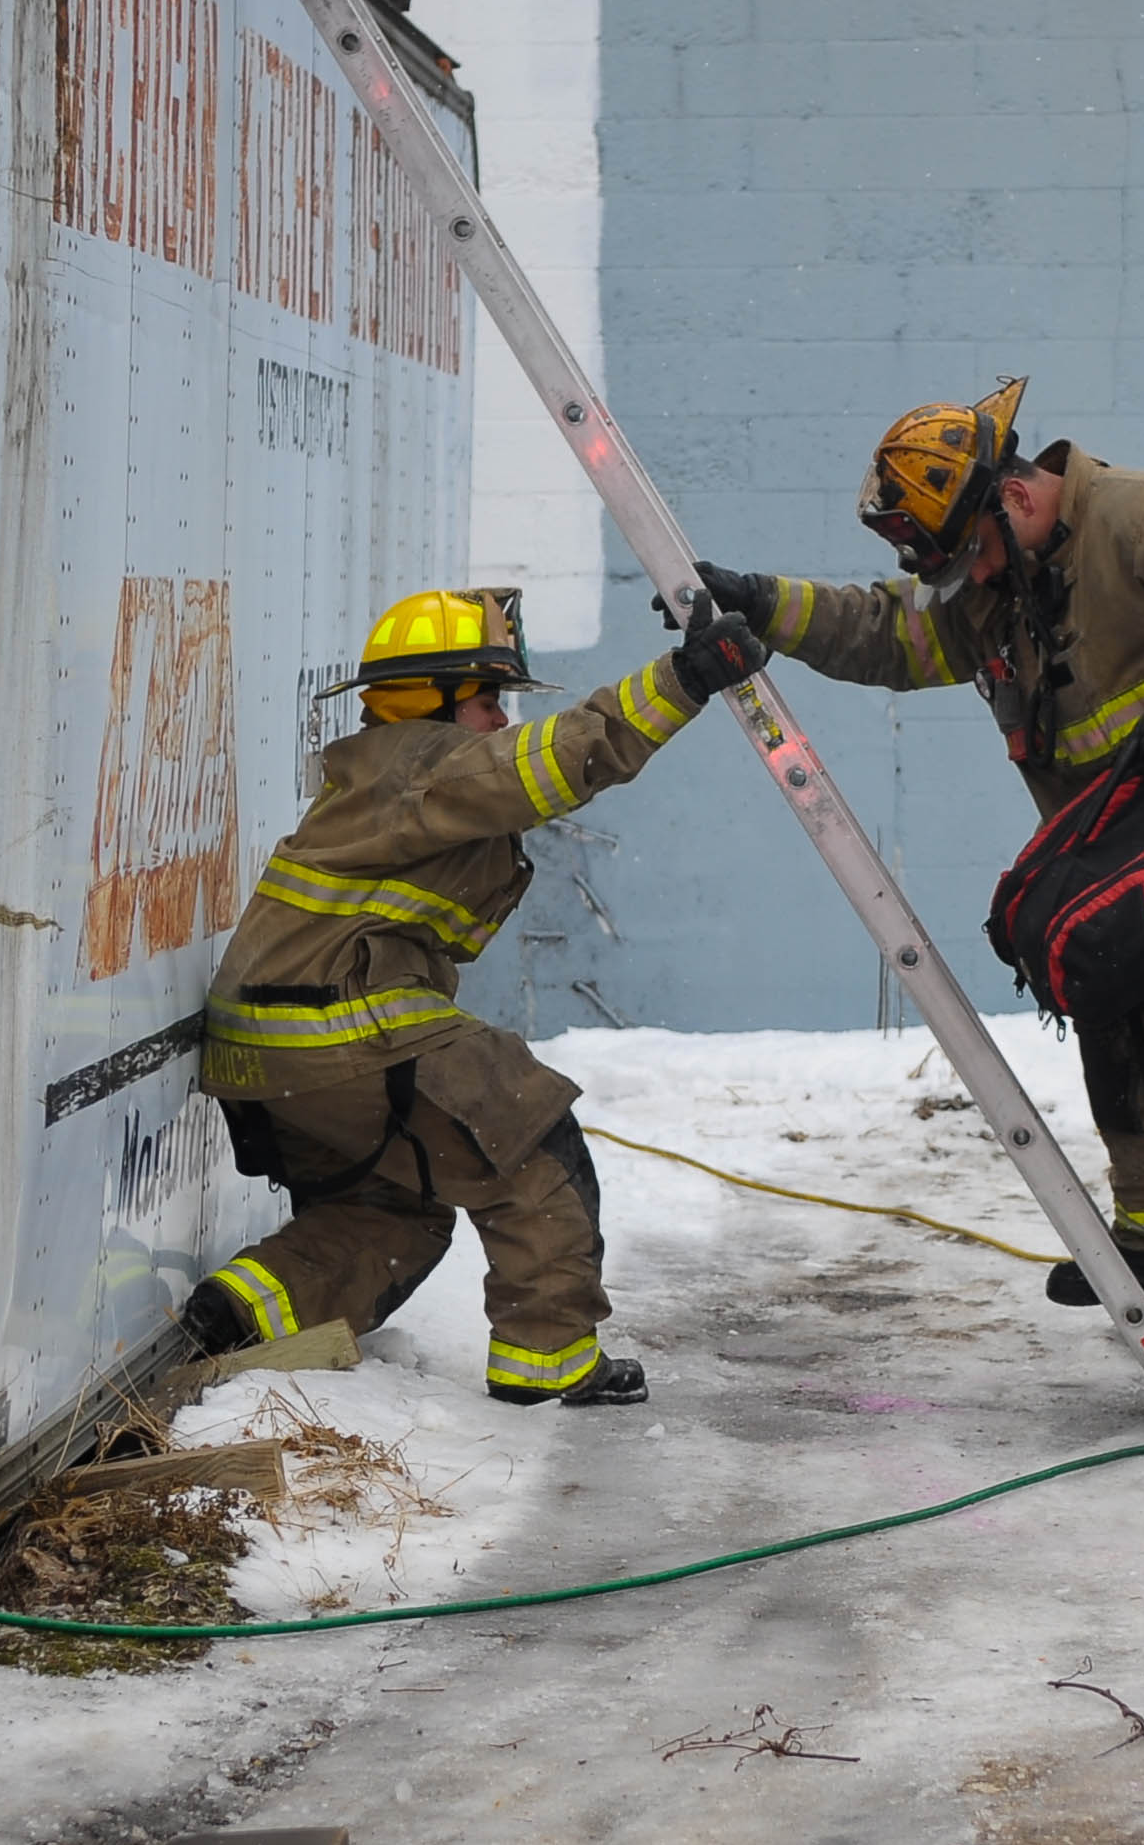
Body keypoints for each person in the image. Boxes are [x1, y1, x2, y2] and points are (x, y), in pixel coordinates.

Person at [692, 381, 1144, 1408]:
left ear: (1012, 494)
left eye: (969, 554)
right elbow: (893, 632)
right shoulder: (1002, 585)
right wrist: (763, 601)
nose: (968, 583)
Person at [184, 584, 767, 1405]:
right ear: (435, 700)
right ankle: (551, 1359)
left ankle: (236, 1313)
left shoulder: (384, 776)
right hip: (341, 1022)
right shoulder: (424, 763)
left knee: (392, 1214)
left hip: (266, 1050)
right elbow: (562, 758)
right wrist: (685, 678)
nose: (501, 720)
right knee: (525, 1145)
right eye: (489, 699)